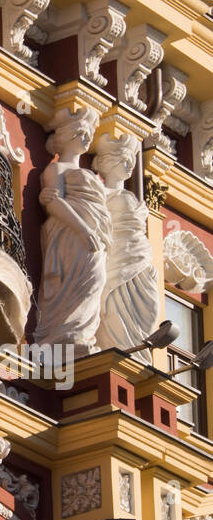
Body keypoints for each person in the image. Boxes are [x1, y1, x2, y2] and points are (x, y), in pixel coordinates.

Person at [34, 107, 111, 355]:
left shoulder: (91, 175)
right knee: (81, 280)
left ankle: (82, 334)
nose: (87, 136)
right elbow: (53, 201)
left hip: (93, 235)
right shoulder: (56, 169)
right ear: (65, 136)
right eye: (80, 131)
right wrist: (83, 229)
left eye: (89, 132)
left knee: (96, 281)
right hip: (72, 233)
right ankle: (64, 333)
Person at [94, 132, 160, 357]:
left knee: (149, 308)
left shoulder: (131, 197)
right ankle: (120, 350)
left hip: (139, 259)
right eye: (124, 160)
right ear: (109, 162)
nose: (130, 165)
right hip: (116, 258)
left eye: (132, 161)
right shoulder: (99, 191)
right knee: (113, 307)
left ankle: (137, 354)